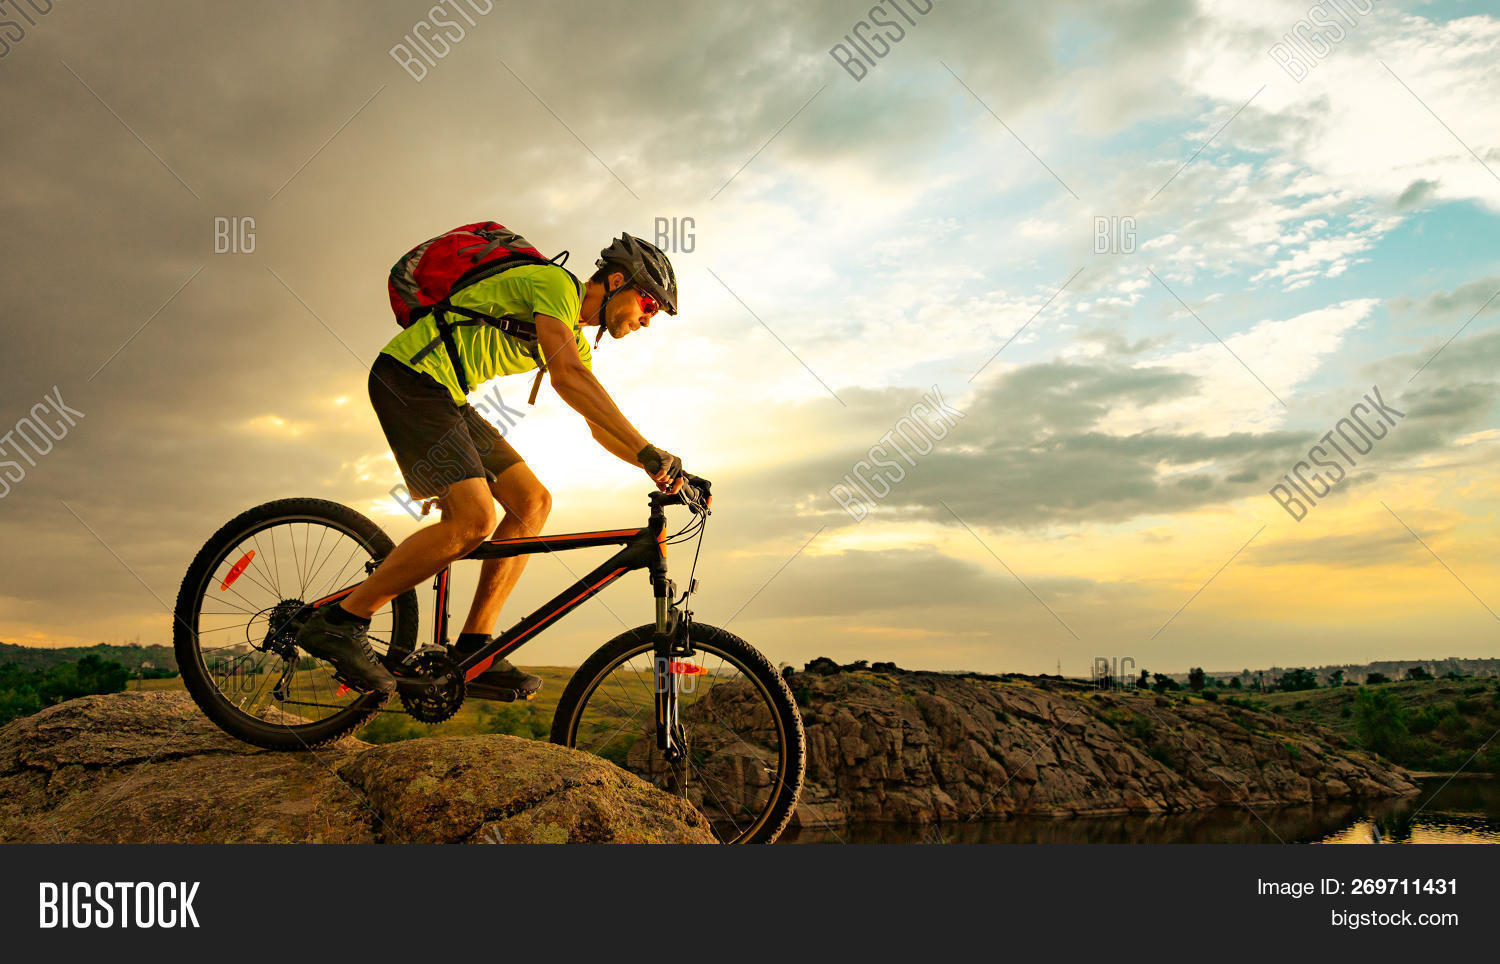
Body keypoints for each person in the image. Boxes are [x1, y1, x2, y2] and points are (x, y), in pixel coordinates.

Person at [295, 233, 687, 697]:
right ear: (617, 280)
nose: (647, 319)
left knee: (532, 502)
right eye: (649, 304)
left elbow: (595, 420)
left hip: (449, 397)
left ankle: (475, 651)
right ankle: (341, 622)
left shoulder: (574, 339)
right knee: (475, 519)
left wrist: (656, 464)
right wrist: (646, 450)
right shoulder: (556, 286)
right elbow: (568, 380)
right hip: (411, 379)